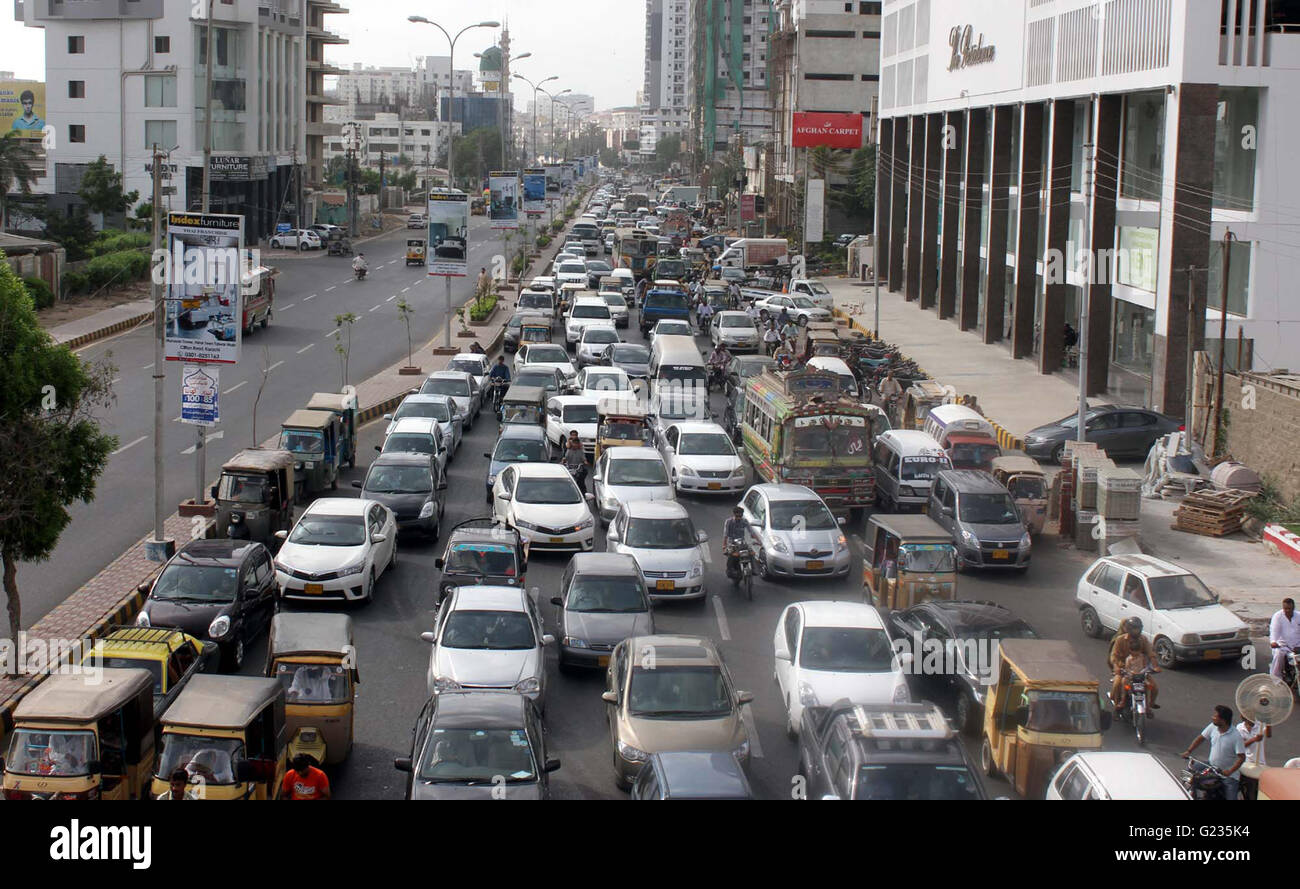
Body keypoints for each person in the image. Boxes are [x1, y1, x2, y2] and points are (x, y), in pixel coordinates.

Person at [1181, 705, 1247, 800]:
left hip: (1228, 774)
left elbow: (1242, 758)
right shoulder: (1213, 727)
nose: (1213, 717)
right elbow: (1201, 738)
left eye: (1215, 716)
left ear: (1223, 720)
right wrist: (1188, 751)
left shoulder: (1236, 736)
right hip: (1211, 766)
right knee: (1189, 775)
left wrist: (1229, 771)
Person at [1108, 618, 1159, 712]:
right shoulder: (1120, 640)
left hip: (1140, 670)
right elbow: (1114, 656)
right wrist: (1116, 667)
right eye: (1134, 629)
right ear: (1129, 629)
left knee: (1154, 687)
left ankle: (1149, 705)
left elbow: (1150, 653)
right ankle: (1117, 706)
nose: (1136, 631)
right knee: (1117, 684)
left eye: (1138, 629)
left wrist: (1155, 666)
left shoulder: (1143, 639)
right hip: (1124, 669)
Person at [1236, 715, 1271, 800]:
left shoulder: (1261, 725)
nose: (1241, 715)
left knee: (1253, 789)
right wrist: (1254, 739)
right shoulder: (1240, 727)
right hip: (1244, 762)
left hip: (1259, 763)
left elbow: (1269, 734)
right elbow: (1240, 746)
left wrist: (1269, 722)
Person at [1269, 598, 1300, 679]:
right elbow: (1274, 631)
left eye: (1289, 608)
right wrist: (1273, 642)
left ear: (1293, 608)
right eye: (1285, 608)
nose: (1287, 610)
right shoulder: (1277, 616)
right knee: (1278, 655)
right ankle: (1276, 679)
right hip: (1283, 645)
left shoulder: (1298, 616)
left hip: (1297, 645)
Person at [723, 507, 751, 580]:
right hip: (731, 542)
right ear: (734, 514)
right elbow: (725, 535)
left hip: (741, 542)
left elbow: (751, 532)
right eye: (737, 516)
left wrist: (758, 541)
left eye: (740, 516)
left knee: (750, 552)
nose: (739, 518)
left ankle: (752, 569)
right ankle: (730, 570)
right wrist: (724, 545)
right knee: (731, 555)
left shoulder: (744, 521)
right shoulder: (728, 522)